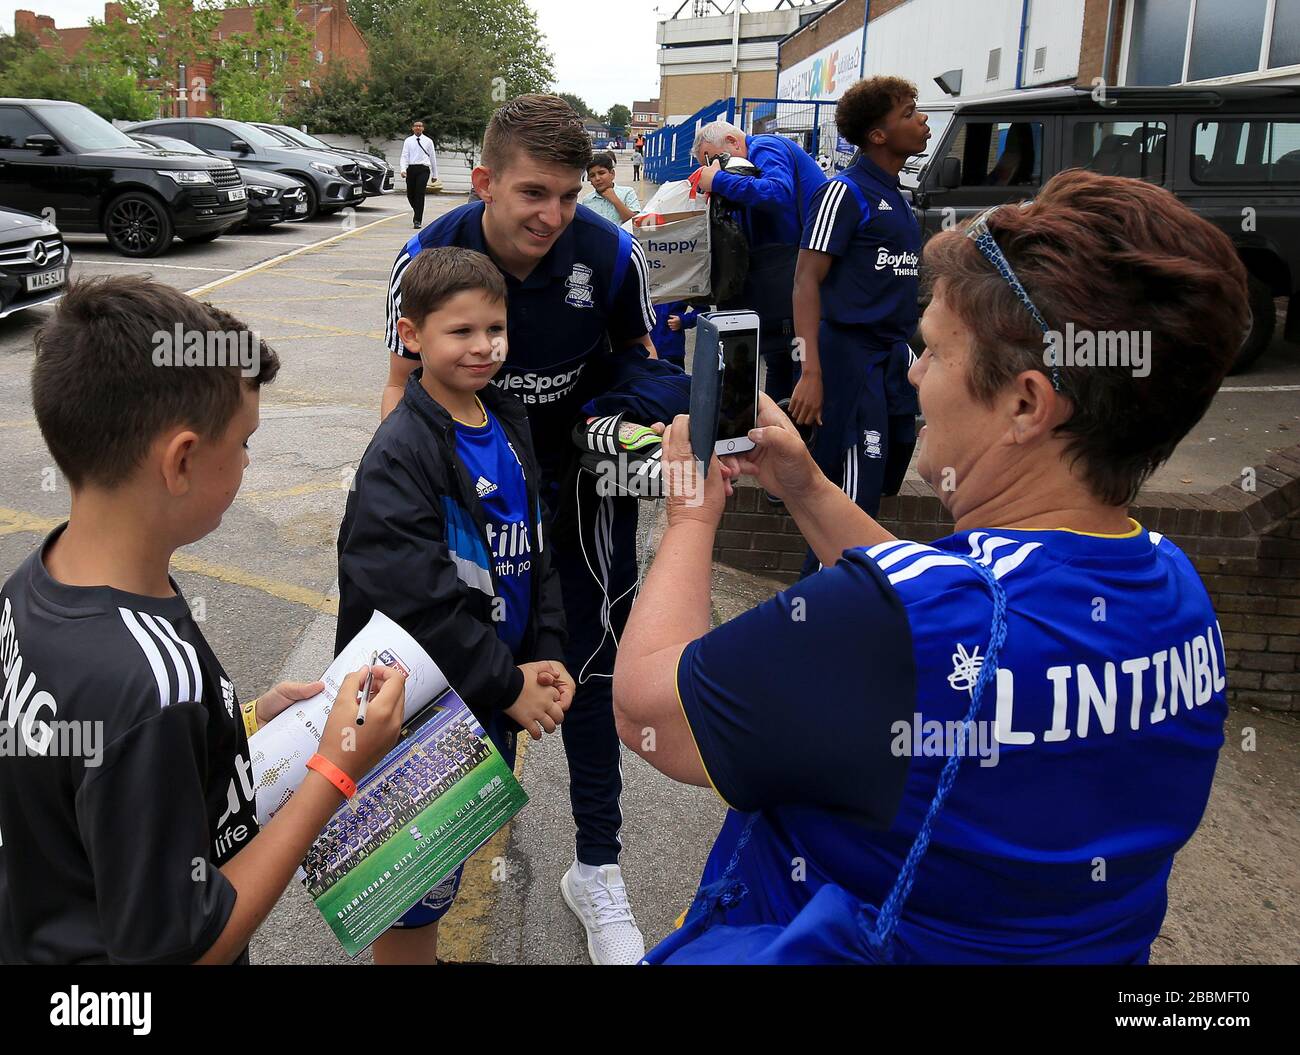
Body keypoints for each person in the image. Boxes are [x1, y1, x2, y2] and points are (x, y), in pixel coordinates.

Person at [613, 169, 1250, 964]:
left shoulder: (888, 626)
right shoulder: (1179, 592)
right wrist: (808, 486)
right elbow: (963, 606)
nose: (912, 374)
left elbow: (649, 712)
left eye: (936, 352)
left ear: (1026, 403)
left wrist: (690, 516)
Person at [0, 276, 406, 964]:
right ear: (183, 459)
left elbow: (91, 766)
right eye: (245, 441)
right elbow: (187, 948)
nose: (249, 459)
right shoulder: (149, 685)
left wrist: (238, 727)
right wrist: (336, 769)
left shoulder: (37, 581)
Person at [381, 94, 673, 965]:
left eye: (570, 195)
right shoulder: (427, 254)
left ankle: (599, 865)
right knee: (458, 686)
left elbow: (645, 366)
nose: (553, 215)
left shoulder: (611, 252)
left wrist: (621, 417)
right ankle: (419, 889)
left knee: (585, 671)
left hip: (579, 503)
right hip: (475, 509)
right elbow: (399, 392)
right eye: (533, 194)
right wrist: (415, 513)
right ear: (483, 184)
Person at [338, 246, 574, 964]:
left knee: (446, 870)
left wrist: (547, 651)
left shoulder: (504, 418)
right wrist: (509, 685)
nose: (484, 347)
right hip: (420, 719)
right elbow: (417, 602)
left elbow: (536, 548)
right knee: (409, 891)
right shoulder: (401, 452)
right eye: (461, 332)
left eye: (495, 329)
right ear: (411, 336)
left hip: (487, 693)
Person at [790, 77, 930, 576]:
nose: (923, 120)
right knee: (849, 504)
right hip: (848, 360)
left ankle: (834, 611)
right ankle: (816, 619)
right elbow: (806, 281)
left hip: (891, 360)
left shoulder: (899, 196)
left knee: (876, 489)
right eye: (911, 113)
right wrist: (811, 372)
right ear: (877, 134)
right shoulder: (843, 192)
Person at [693, 119, 827, 406]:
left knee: (795, 359)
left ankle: (797, 435)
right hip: (781, 275)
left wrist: (716, 180)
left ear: (732, 141)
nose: (714, 166)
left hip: (797, 269)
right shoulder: (749, 161)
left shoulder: (767, 145)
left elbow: (777, 191)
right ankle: (777, 429)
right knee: (779, 360)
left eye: (713, 158)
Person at [581, 150, 640, 225]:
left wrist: (614, 199)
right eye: (592, 175)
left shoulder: (627, 193)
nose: (597, 178)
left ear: (612, 174)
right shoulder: (587, 201)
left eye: (601, 173)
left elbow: (635, 222)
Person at [401, 119, 439, 229]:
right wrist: (403, 169)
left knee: (419, 193)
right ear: (412, 128)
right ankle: (417, 210)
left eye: (420, 126)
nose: (418, 128)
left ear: (423, 128)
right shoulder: (408, 141)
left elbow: (432, 158)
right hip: (411, 169)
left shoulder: (428, 141)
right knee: (410, 194)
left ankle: (417, 219)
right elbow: (404, 156)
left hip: (423, 169)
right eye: (416, 126)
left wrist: (435, 174)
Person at [649, 301, 697, 369]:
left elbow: (703, 309)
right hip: (644, 348)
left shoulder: (680, 290)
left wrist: (683, 320)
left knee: (674, 377)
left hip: (671, 349)